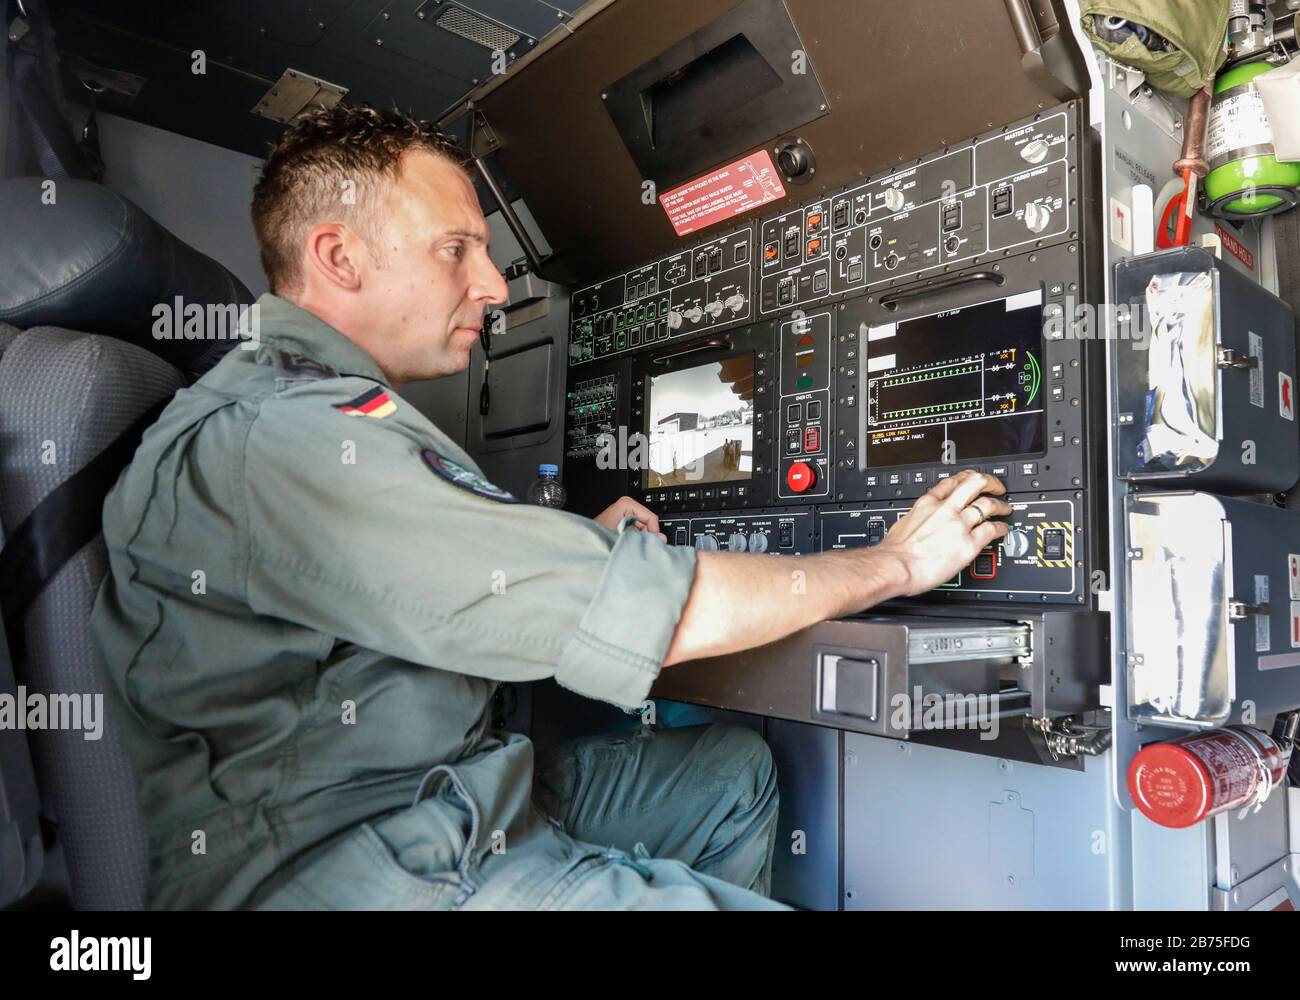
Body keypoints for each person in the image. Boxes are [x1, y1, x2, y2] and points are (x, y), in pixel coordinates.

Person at [92, 104, 1011, 910]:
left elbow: (417, 572)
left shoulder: (299, 413)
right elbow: (656, 607)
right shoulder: (283, 434)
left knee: (730, 775)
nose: (492, 287)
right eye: (457, 249)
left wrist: (570, 545)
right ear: (339, 257)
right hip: (355, 861)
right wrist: (892, 563)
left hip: (443, 794)